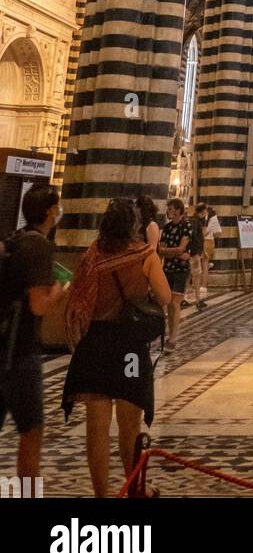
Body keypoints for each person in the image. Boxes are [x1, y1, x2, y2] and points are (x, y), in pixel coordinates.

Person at [62, 197, 171, 497]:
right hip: (129, 348)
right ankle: (135, 487)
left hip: (95, 345)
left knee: (96, 430)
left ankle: (102, 494)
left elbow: (77, 299)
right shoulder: (145, 256)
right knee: (129, 427)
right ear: (133, 225)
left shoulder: (91, 255)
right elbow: (164, 297)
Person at [0, 185, 62, 483]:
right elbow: (38, 305)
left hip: (3, 347)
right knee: (32, 433)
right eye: (57, 207)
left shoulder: (14, 240)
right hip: (20, 354)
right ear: (50, 211)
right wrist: (59, 292)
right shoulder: (39, 246)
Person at [159, 197, 191, 351]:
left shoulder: (186, 226)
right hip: (168, 269)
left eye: (171, 209)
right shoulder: (166, 228)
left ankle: (173, 338)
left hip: (180, 270)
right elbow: (161, 250)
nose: (168, 212)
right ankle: (169, 335)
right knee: (167, 303)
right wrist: (176, 252)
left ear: (178, 210)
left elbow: (181, 248)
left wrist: (170, 252)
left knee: (175, 303)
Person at [185, 203, 207, 311]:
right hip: (194, 254)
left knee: (189, 275)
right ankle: (198, 300)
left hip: (193, 252)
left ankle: (184, 298)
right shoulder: (195, 221)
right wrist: (197, 251)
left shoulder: (194, 220)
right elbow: (193, 237)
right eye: (205, 212)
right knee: (196, 276)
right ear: (202, 212)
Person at [202, 207, 221, 294]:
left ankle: (203, 285)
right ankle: (202, 285)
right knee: (204, 265)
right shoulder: (212, 218)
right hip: (209, 242)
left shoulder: (211, 219)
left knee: (203, 265)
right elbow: (218, 233)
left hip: (206, 242)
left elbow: (206, 233)